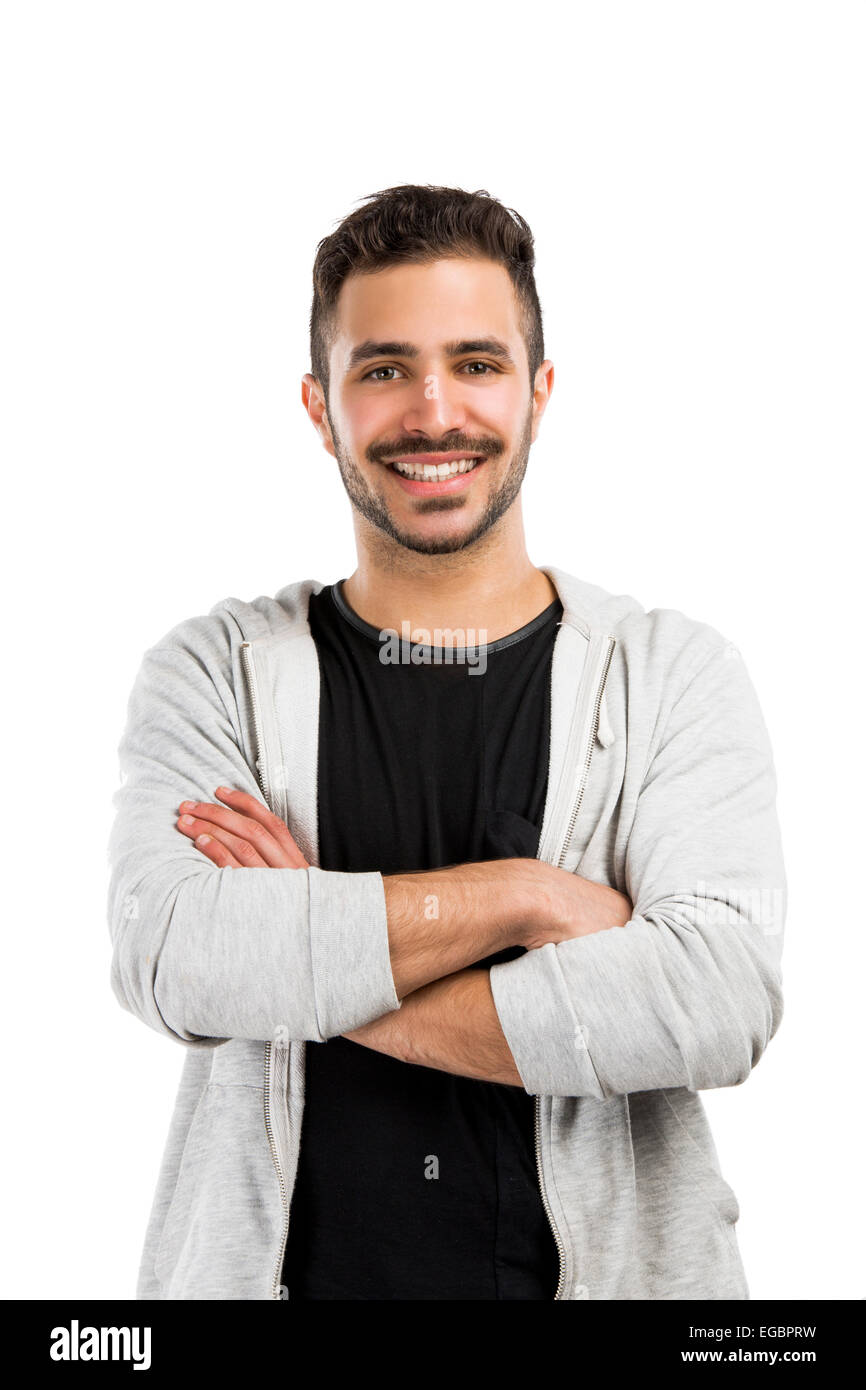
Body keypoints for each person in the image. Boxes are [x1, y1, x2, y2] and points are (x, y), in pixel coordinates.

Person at [107, 183, 786, 1301]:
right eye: (382, 369)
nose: (433, 411)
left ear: (538, 392)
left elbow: (710, 1000)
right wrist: (522, 896)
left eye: (475, 363)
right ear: (320, 407)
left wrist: (303, 948)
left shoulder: (670, 675)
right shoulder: (214, 669)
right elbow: (175, 953)